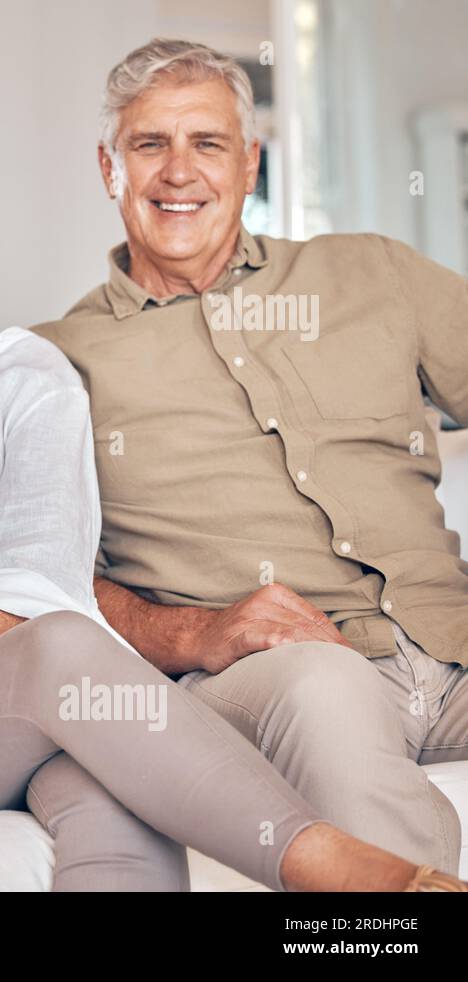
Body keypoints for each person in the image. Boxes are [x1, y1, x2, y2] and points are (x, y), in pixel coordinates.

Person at [0, 76, 465, 891]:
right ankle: (334, 867)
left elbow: (44, 553)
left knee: (111, 802)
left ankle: (384, 916)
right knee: (72, 653)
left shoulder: (26, 371)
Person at [35, 38, 468, 878]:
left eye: (208, 142)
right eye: (149, 144)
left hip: (450, 634)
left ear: (250, 160)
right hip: (272, 679)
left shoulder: (370, 273)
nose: (178, 171)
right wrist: (196, 631)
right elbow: (42, 576)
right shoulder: (57, 359)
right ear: (107, 167)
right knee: (323, 688)